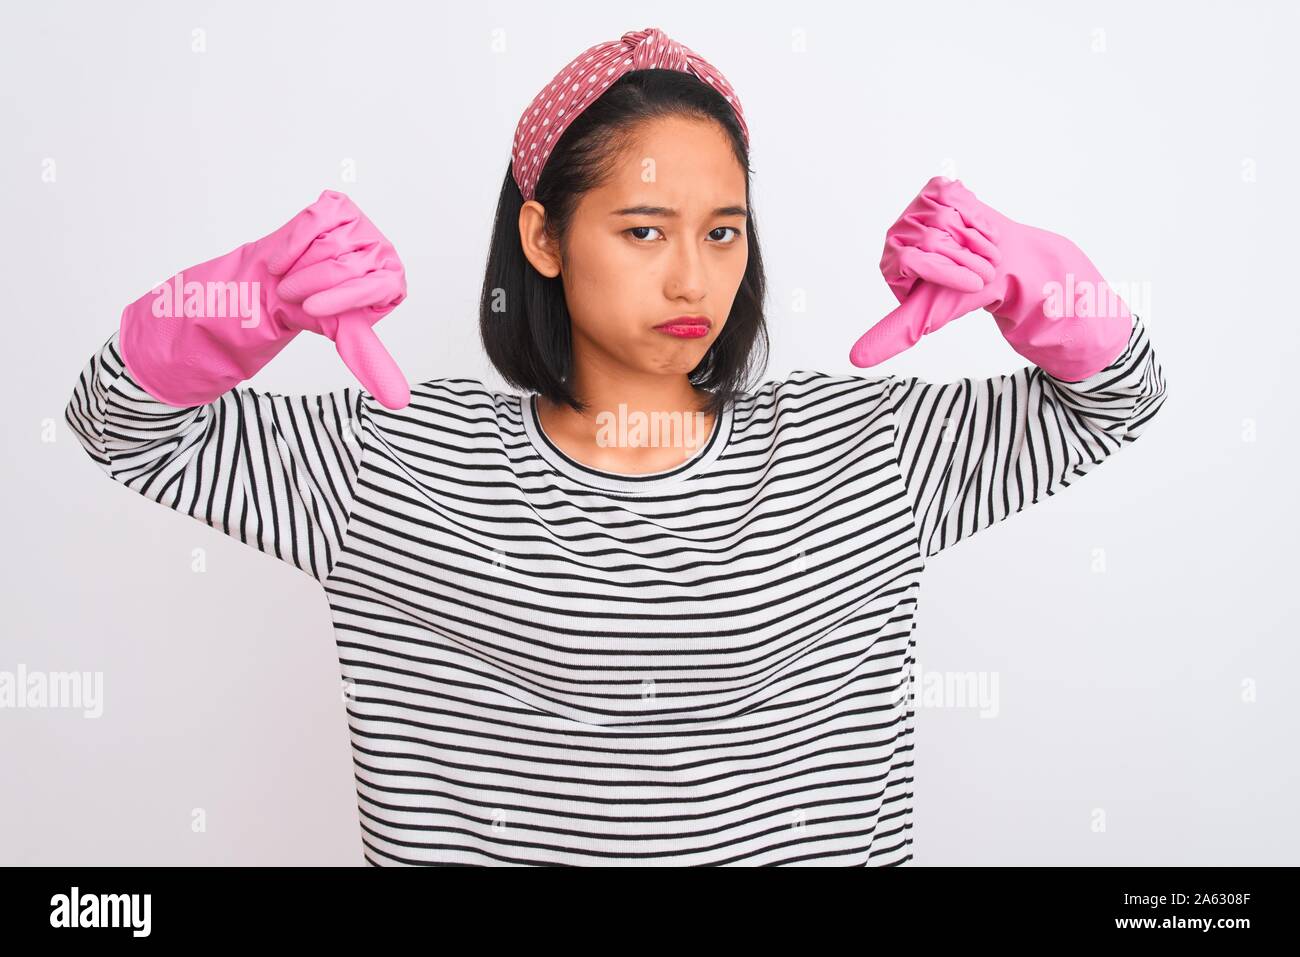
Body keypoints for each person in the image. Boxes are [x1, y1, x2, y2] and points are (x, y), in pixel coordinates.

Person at [64, 26, 1168, 866]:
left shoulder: (864, 453)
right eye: (643, 231)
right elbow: (116, 424)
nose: (693, 277)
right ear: (542, 235)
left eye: (722, 230)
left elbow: (1118, 397)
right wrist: (242, 300)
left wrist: (1035, 276)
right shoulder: (391, 464)